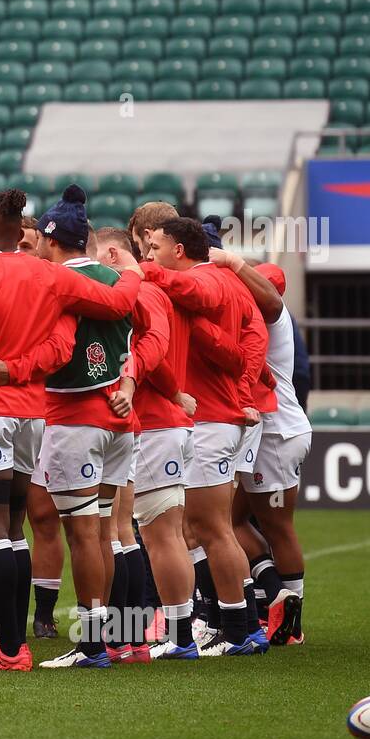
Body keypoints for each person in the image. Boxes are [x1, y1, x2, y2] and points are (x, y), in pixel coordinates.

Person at [0, 188, 142, 672]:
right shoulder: (51, 276)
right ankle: (17, 643)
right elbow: (102, 313)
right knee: (16, 525)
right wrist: (132, 273)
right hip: (36, 417)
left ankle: (10, 650)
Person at [140, 218, 268, 655]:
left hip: (210, 419)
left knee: (212, 528)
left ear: (179, 250)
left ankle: (240, 630)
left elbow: (201, 299)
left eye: (155, 247)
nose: (150, 255)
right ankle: (242, 624)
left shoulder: (207, 279)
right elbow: (248, 342)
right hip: (218, 416)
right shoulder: (226, 281)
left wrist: (147, 275)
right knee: (209, 527)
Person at [215, 256, 311, 645]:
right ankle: (275, 595)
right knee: (231, 524)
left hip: (276, 434)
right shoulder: (270, 320)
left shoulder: (270, 316)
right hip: (278, 431)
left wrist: (232, 264)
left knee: (276, 527)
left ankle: (291, 623)